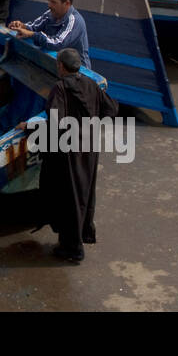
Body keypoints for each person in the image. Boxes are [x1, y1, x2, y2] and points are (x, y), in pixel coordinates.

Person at [34, 47, 119, 264]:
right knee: (84, 195)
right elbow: (110, 109)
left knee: (68, 197)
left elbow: (55, 122)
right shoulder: (91, 85)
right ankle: (77, 239)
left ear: (61, 66)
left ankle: (73, 248)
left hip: (68, 154)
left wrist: (30, 127)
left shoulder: (60, 89)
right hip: (89, 151)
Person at [9, 0, 91, 68]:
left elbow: (57, 43)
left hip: (77, 72)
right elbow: (34, 27)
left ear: (67, 3)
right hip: (58, 66)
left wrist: (31, 34)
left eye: (54, 2)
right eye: (49, 1)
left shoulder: (74, 21)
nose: (49, 5)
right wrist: (21, 26)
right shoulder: (50, 13)